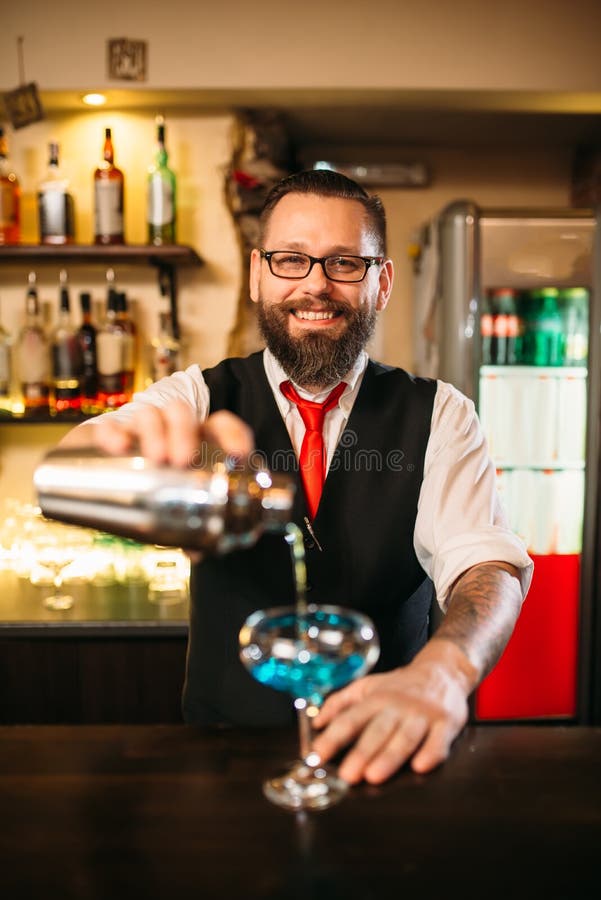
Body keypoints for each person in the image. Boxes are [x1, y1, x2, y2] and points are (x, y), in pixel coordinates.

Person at [58, 169, 532, 785]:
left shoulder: (441, 414)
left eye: (344, 264)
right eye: (291, 260)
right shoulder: (197, 396)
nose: (315, 285)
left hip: (388, 751)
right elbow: (80, 456)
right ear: (258, 273)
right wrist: (121, 456)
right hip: (223, 757)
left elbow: (487, 567)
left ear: (381, 282)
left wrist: (446, 670)